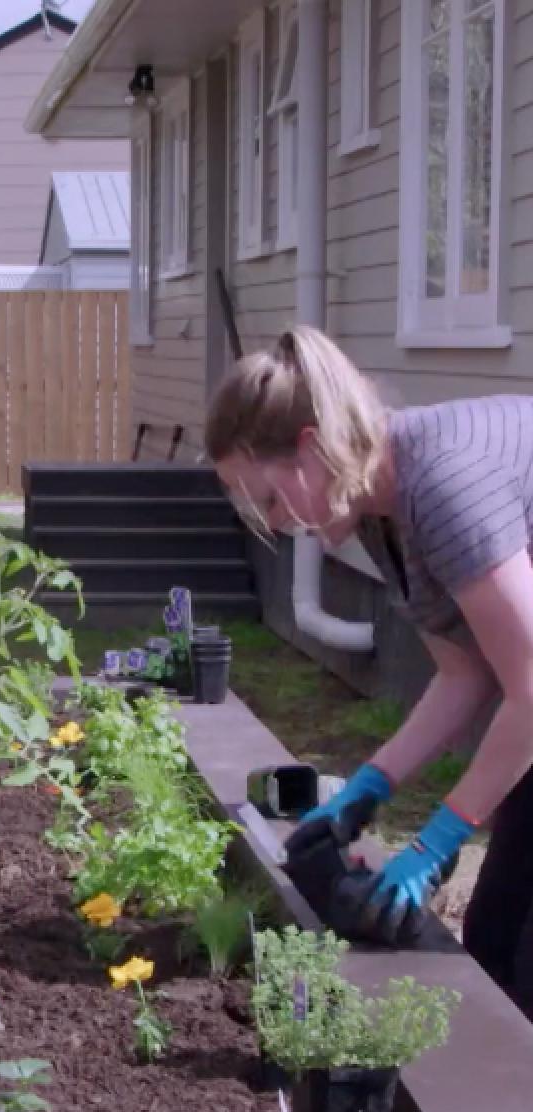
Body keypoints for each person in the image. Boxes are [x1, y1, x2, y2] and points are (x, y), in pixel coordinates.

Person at [204, 324, 533, 1016]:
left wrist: (443, 835)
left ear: (309, 447)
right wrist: (368, 789)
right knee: (496, 938)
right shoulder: (382, 509)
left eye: (268, 500)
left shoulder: (442, 482)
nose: (277, 523)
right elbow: (466, 675)